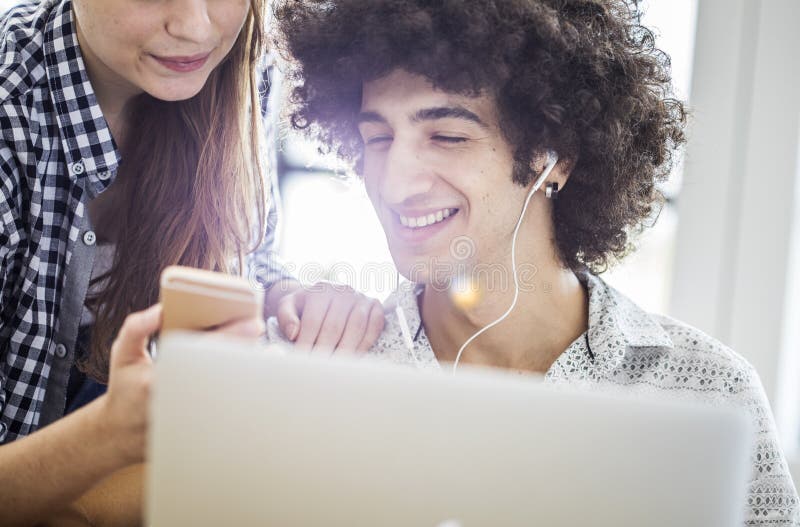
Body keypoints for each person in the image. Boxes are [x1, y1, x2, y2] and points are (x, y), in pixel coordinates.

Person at [270, 0, 800, 524]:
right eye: (378, 139)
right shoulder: (318, 370)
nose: (393, 183)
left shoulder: (706, 390)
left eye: (448, 137)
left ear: (555, 158)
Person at [0, 0, 384, 523]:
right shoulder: (10, 111)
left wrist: (285, 296)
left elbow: (252, 249)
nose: (195, 28)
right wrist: (108, 433)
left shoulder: (241, 67)